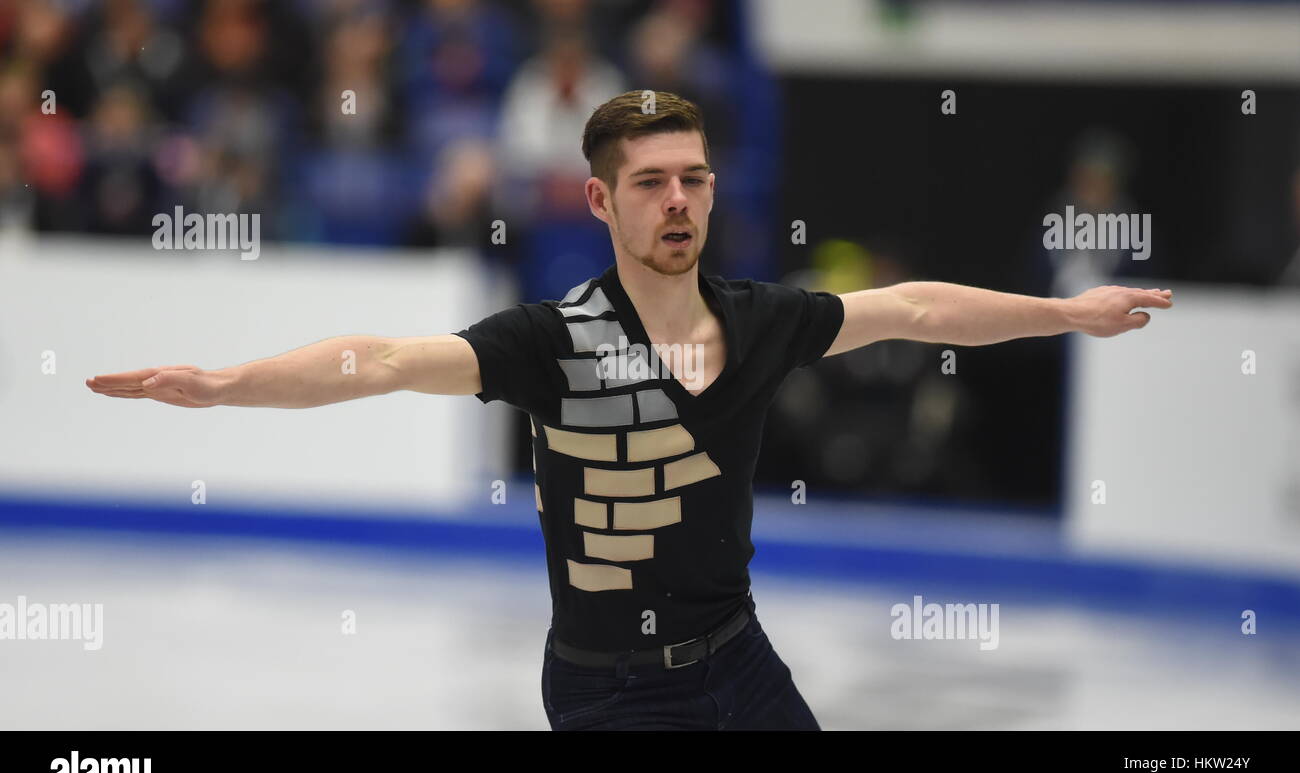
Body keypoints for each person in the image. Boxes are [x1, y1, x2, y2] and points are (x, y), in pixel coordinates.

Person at [85, 90, 1174, 730]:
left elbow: (913, 307)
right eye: (651, 183)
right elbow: (374, 359)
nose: (678, 202)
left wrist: (1065, 312)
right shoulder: (550, 341)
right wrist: (227, 384)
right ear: (601, 199)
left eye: (693, 179)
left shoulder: (760, 320)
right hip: (602, 693)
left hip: (737, 667)